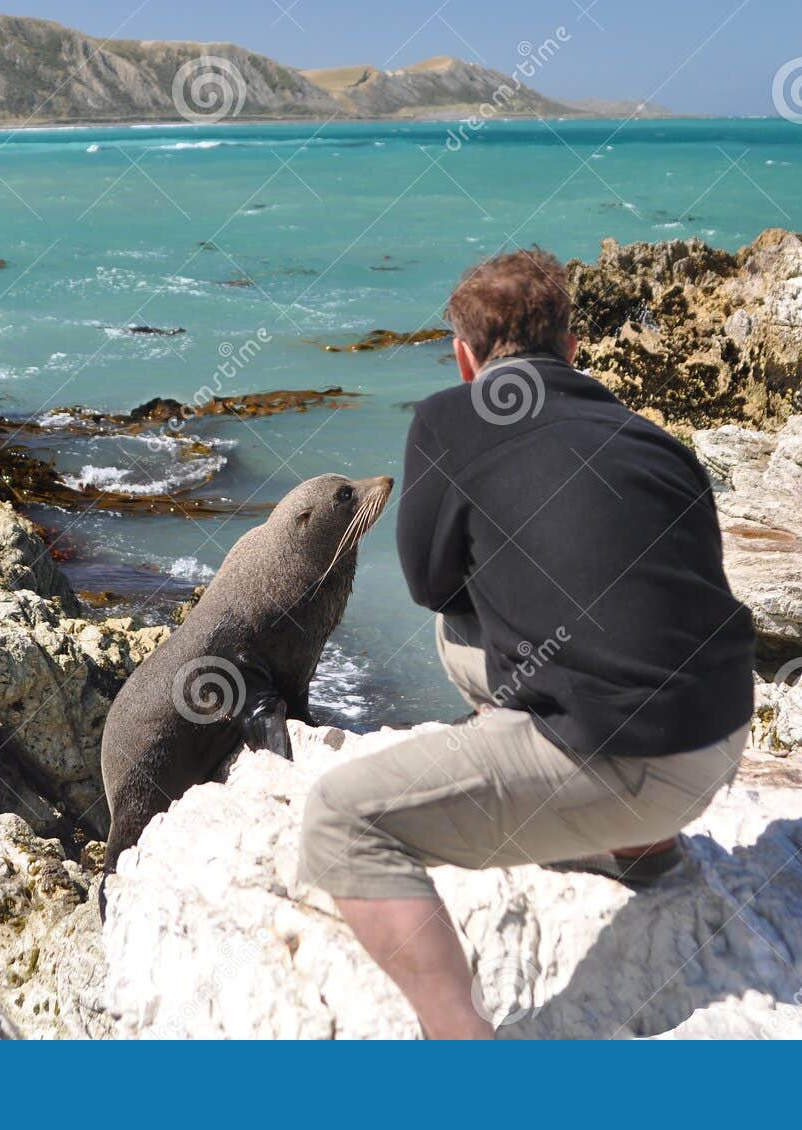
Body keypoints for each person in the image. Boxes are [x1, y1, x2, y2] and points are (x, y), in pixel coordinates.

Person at [297, 247, 756, 1039]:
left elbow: (432, 587)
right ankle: (646, 854)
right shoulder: (652, 440)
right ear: (573, 350)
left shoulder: (448, 416)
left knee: (342, 821)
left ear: (465, 358)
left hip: (615, 762)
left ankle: (466, 1053)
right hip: (717, 741)